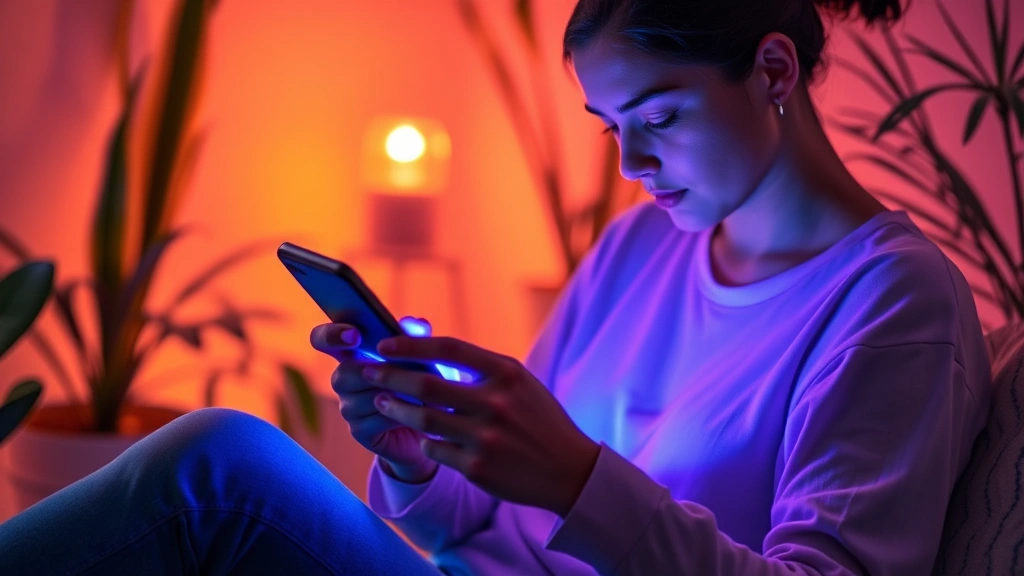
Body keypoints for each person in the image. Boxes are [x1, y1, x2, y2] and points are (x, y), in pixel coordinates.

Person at [0, 0, 994, 573]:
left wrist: (575, 478)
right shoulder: (636, 252)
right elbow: (487, 527)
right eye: (611, 127)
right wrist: (426, 462)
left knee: (222, 464)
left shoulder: (894, 304)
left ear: (772, 71)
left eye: (658, 115)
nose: (632, 163)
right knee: (220, 466)